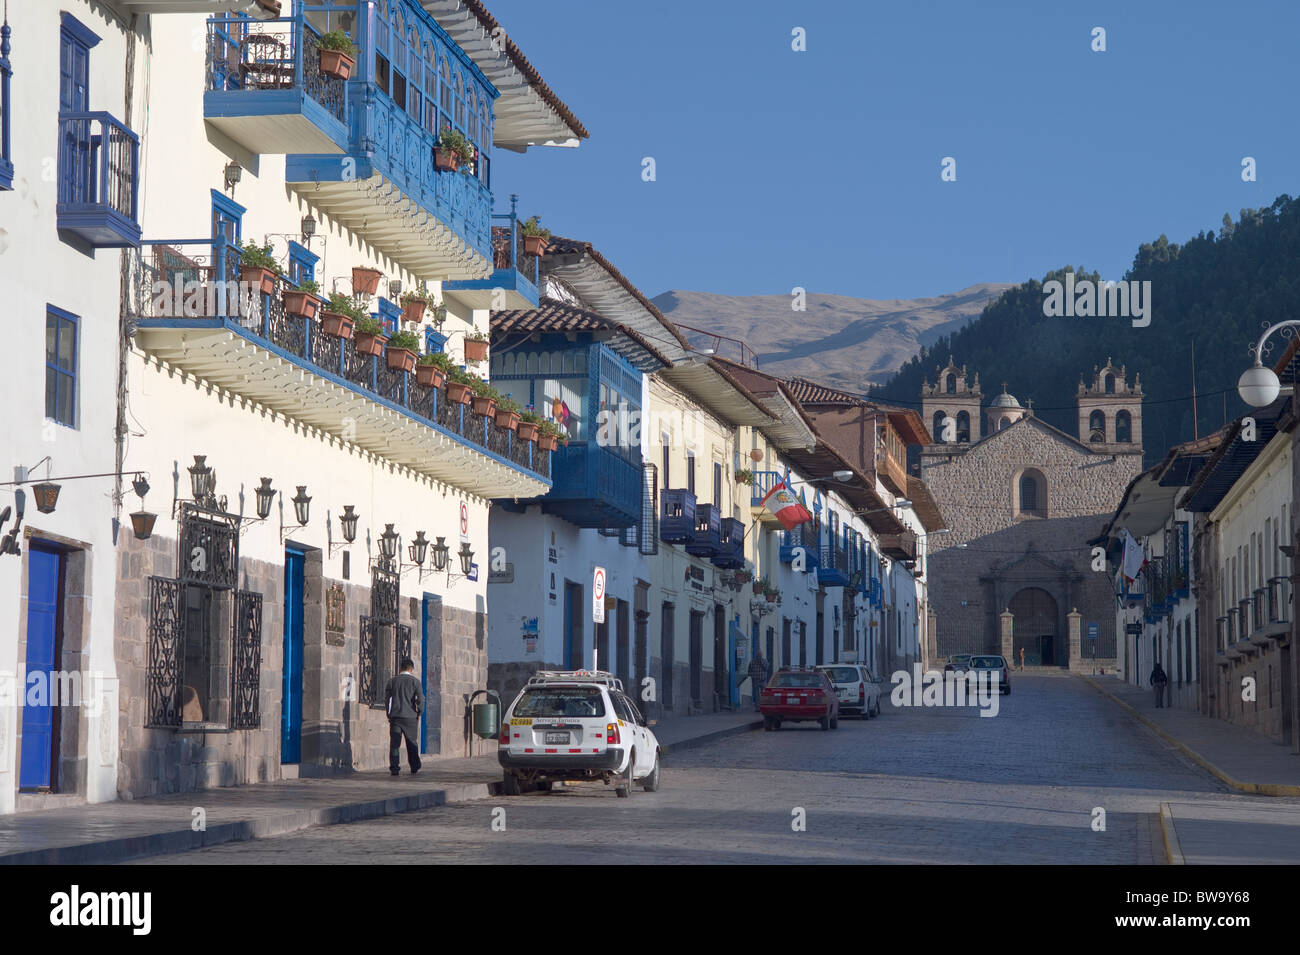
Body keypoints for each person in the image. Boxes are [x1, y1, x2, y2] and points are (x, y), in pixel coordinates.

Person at [385, 658, 423, 775]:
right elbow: (420, 699)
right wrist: (419, 712)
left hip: (396, 717)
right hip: (410, 717)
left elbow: (387, 700)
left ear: (400, 668)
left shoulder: (392, 681)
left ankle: (394, 768)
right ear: (411, 669)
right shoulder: (415, 682)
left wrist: (389, 713)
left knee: (395, 744)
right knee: (411, 742)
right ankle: (414, 766)